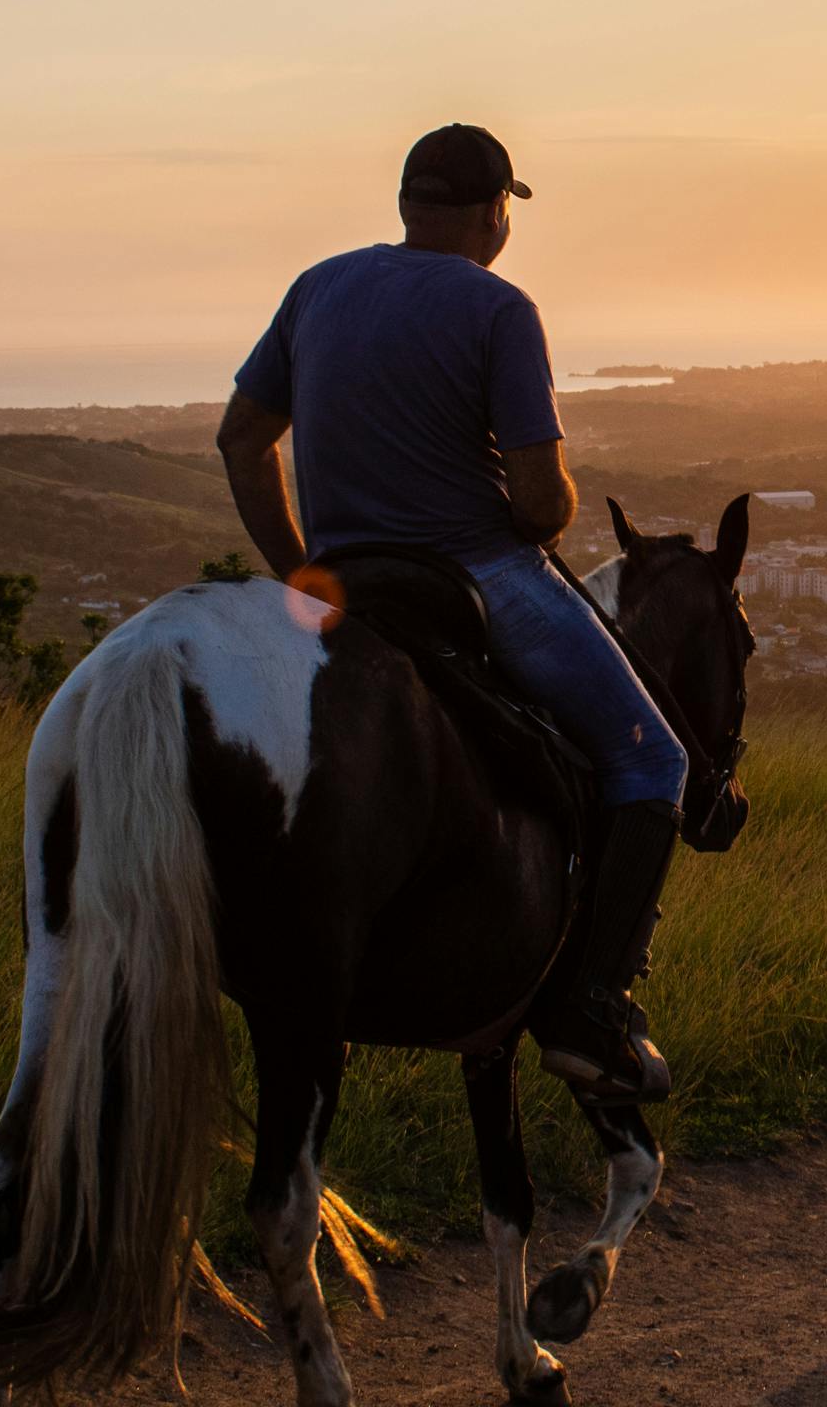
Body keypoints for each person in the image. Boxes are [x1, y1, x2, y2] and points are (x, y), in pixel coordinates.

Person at [213, 123, 687, 1103]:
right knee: (655, 759)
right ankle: (588, 1006)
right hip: (480, 576)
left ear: (404, 203)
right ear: (492, 214)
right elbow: (539, 506)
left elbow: (241, 436)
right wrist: (548, 490)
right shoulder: (500, 307)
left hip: (349, 581)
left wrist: (301, 571)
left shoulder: (317, 288)